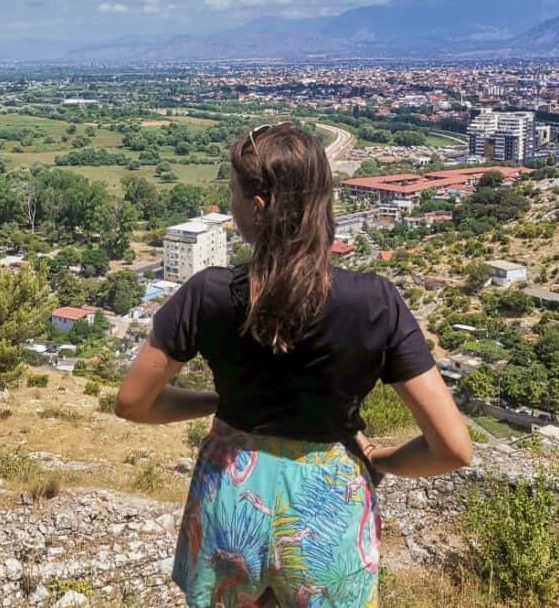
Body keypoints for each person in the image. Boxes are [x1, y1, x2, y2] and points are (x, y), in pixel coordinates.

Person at [115, 123, 472, 608]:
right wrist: (381, 459)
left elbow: (135, 403)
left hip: (230, 497)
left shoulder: (208, 295)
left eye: (233, 197)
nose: (230, 207)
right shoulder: (374, 302)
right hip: (328, 504)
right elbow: (452, 448)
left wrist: (221, 402)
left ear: (258, 208)